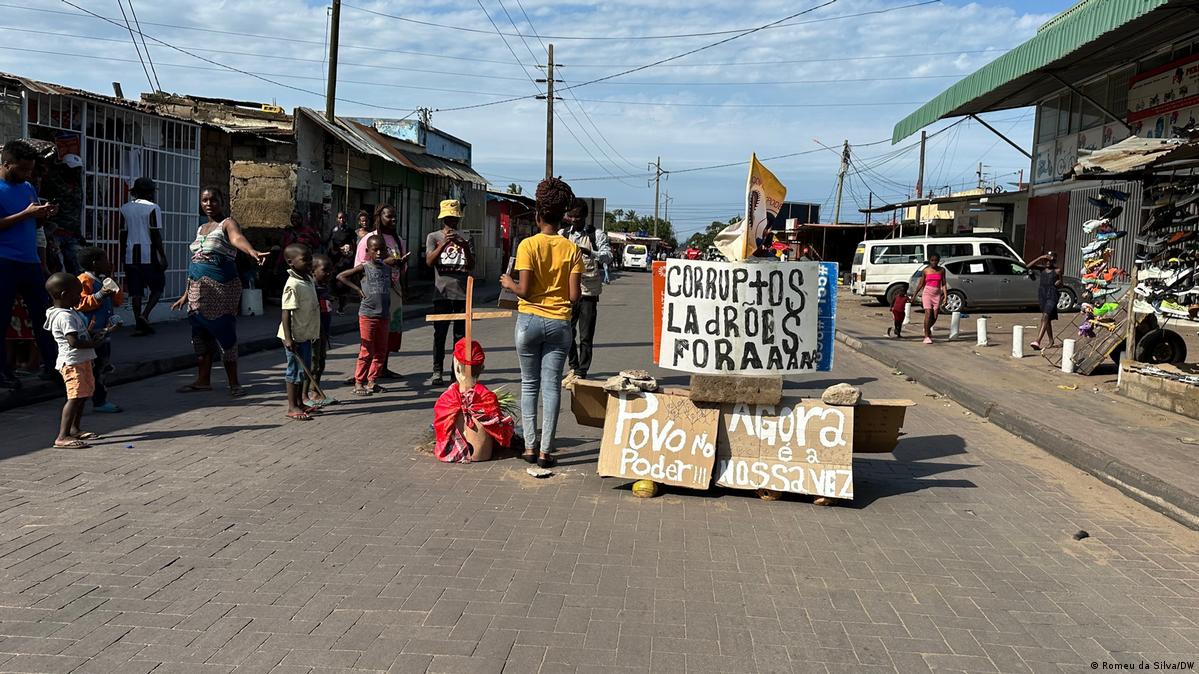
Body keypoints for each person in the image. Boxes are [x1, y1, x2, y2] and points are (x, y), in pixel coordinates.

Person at [499, 177, 583, 469]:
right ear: (563, 218)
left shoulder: (527, 245)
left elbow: (524, 290)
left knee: (529, 384)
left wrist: (509, 283)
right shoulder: (572, 250)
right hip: (559, 323)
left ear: (537, 215)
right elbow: (574, 296)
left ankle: (530, 448)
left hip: (529, 321)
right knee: (551, 387)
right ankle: (547, 451)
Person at [172, 187, 269, 396]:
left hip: (222, 288)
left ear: (222, 202)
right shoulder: (201, 228)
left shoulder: (228, 223)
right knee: (200, 335)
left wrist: (251, 251)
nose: (208, 204)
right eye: (205, 200)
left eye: (213, 200)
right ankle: (203, 380)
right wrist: (185, 294)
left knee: (224, 333)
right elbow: (196, 262)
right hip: (198, 290)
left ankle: (234, 383)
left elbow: (237, 239)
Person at [0, 139, 59, 389]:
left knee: (45, 316)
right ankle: (3, 373)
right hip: (4, 261)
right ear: (6, 164)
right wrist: (26, 214)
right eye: (22, 169)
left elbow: (33, 225)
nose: (27, 174)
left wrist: (43, 215)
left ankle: (53, 366)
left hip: (30, 261)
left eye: (30, 170)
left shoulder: (27, 187)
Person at [339, 234, 406, 396]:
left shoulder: (386, 268)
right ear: (368, 250)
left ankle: (372, 381)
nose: (378, 253)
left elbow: (390, 283)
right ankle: (359, 382)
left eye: (382, 250)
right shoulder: (364, 267)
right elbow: (341, 276)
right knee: (366, 350)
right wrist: (358, 290)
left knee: (381, 350)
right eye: (375, 250)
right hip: (368, 314)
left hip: (383, 315)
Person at [432, 339, 514, 463]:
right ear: (482, 367)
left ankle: (457, 450)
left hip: (477, 453)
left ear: (457, 366)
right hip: (482, 454)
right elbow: (499, 429)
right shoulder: (487, 397)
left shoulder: (446, 400)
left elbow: (441, 429)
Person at [353, 204, 408, 380]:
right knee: (370, 333)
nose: (393, 220)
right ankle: (363, 372)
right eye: (389, 216)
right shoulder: (369, 239)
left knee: (389, 330)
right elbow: (360, 266)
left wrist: (400, 265)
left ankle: (382, 367)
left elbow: (403, 268)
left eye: (395, 217)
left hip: (393, 290)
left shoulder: (398, 240)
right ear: (379, 217)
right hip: (374, 291)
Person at [44, 272, 97, 449]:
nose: (79, 297)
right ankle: (62, 436)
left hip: (81, 360)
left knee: (82, 396)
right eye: (77, 294)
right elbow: (73, 342)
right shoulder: (64, 316)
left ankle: (75, 429)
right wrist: (93, 342)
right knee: (74, 397)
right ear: (65, 295)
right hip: (73, 363)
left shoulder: (69, 312)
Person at [560, 198, 611, 383]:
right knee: (566, 331)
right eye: (570, 216)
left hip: (589, 292)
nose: (573, 220)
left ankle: (582, 371)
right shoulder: (563, 234)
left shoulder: (596, 235)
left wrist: (592, 253)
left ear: (584, 216)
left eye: (577, 217)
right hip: (567, 291)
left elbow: (608, 257)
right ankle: (573, 365)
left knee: (586, 335)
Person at [425, 199, 475, 385]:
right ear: (442, 219)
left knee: (460, 337)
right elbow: (429, 262)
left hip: (462, 295)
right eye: (448, 219)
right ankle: (437, 370)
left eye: (455, 218)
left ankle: (456, 372)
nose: (452, 222)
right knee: (440, 334)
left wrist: (463, 246)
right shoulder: (433, 237)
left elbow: (471, 265)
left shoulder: (466, 237)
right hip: (442, 294)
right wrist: (443, 244)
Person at [75, 246, 124, 413]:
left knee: (102, 368)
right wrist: (100, 294)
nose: (109, 263)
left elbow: (118, 301)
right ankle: (94, 401)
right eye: (105, 260)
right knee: (94, 369)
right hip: (91, 333)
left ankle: (100, 400)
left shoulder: (103, 280)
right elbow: (80, 303)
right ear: (95, 263)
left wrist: (111, 281)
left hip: (104, 332)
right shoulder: (84, 280)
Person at [119, 177, 168, 336]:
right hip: (148, 253)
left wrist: (122, 254)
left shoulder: (124, 208)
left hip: (130, 253)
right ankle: (144, 315)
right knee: (158, 286)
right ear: (149, 192)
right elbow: (155, 233)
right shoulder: (153, 208)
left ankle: (138, 323)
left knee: (136, 291)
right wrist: (162, 255)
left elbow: (123, 234)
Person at [278, 243, 321, 421]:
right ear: (291, 262)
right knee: (294, 371)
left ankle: (300, 402)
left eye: (311, 259)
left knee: (303, 371)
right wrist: (288, 338)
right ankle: (292, 406)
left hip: (305, 333)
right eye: (305, 260)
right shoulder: (292, 284)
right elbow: (286, 312)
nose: (310, 263)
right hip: (294, 336)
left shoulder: (308, 279)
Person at [306, 254, 336, 408]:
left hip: (323, 331)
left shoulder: (324, 287)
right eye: (325, 270)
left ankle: (316, 390)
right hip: (312, 332)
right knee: (312, 363)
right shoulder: (310, 288)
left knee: (320, 361)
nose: (329, 273)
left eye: (331, 270)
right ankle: (306, 394)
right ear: (313, 271)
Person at [910, 253, 948, 345]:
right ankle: (926, 336)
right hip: (927, 293)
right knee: (928, 313)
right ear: (929, 260)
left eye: (936, 260)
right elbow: (921, 284)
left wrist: (946, 296)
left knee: (934, 316)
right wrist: (914, 295)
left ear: (938, 261)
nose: (934, 262)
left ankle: (927, 328)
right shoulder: (925, 270)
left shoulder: (942, 270)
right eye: (932, 260)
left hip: (937, 294)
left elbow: (943, 283)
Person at [1028, 251, 1063, 351]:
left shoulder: (1057, 271)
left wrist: (1059, 282)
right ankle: (1051, 340)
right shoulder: (1042, 269)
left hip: (1052, 294)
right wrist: (1040, 257)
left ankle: (1037, 341)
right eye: (1046, 260)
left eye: (1050, 260)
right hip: (1042, 294)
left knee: (1045, 316)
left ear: (1054, 261)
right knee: (1046, 319)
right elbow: (1028, 266)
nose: (1048, 262)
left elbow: (1061, 284)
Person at [326, 211, 356, 312]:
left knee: (342, 282)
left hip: (345, 260)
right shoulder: (334, 230)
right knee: (332, 279)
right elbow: (329, 243)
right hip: (334, 258)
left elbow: (354, 245)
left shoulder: (350, 231)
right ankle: (331, 300)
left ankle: (342, 305)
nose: (341, 220)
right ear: (336, 219)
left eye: (343, 218)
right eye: (339, 218)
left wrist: (349, 249)